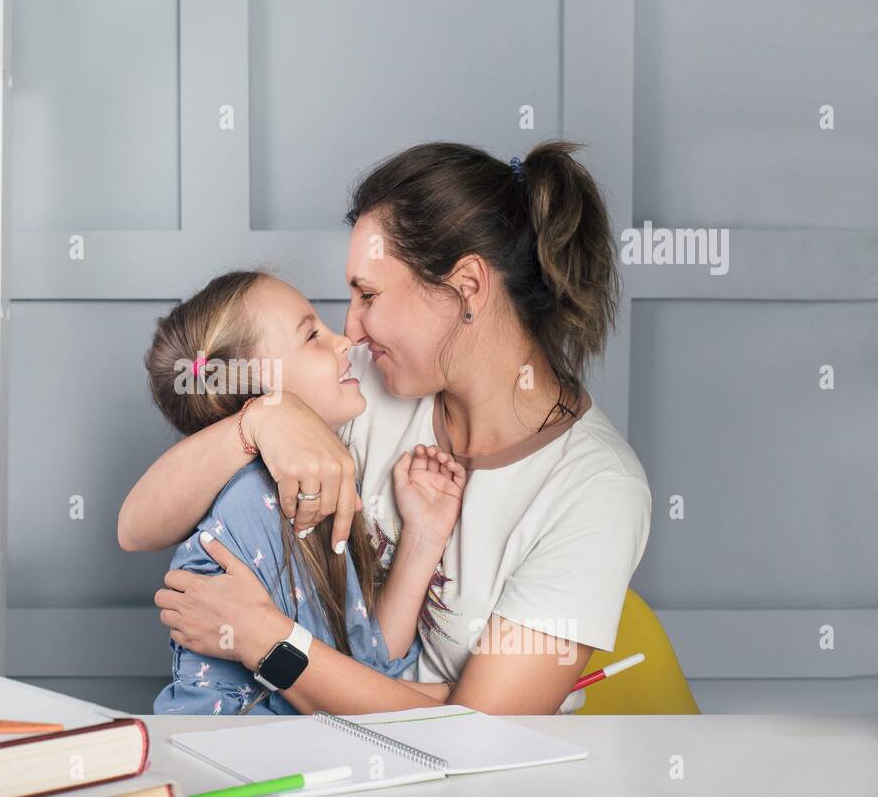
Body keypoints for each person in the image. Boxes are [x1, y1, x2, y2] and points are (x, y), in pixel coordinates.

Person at [120, 142, 652, 715]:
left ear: (467, 288)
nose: (350, 328)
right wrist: (258, 420)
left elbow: (481, 732)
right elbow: (137, 529)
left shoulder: (596, 490)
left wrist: (263, 641)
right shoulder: (359, 389)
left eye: (368, 295)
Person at [140, 270, 467, 715]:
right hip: (235, 757)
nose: (343, 341)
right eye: (312, 335)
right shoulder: (251, 505)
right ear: (254, 388)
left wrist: (423, 536)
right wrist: (454, 700)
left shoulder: (313, 483)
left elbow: (360, 659)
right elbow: (330, 696)